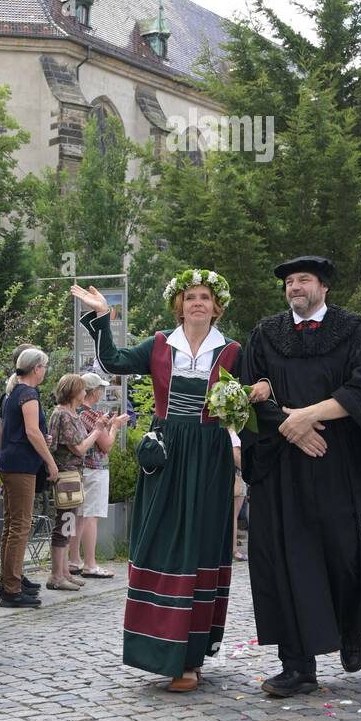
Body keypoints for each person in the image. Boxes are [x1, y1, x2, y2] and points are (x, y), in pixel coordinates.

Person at [238, 256, 361, 698]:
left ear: (324, 287)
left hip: (341, 462)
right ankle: (297, 665)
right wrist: (291, 427)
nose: (294, 287)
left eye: (303, 280)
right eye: (288, 281)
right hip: (283, 465)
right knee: (287, 560)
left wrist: (309, 416)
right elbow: (247, 392)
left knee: (347, 552)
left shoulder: (354, 330)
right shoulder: (266, 334)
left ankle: (349, 627)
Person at [73, 268, 241, 692]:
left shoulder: (234, 350)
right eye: (190, 297)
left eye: (204, 296)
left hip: (210, 454)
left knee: (201, 544)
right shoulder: (162, 345)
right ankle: (164, 650)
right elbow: (113, 361)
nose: (197, 303)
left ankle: (191, 657)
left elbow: (261, 389)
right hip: (167, 454)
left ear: (216, 306)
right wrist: (102, 317)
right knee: (163, 543)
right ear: (179, 304)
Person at [0, 347, 57, 607]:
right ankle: (11, 588)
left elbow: (17, 430)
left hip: (10, 462)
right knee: (21, 526)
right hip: (22, 465)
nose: (45, 371)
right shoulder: (29, 393)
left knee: (11, 526)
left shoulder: (13, 392)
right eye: (44, 367)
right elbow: (32, 432)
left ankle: (9, 581)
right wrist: (51, 462)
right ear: (37, 369)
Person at [64, 373, 129, 581]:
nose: (103, 391)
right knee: (91, 515)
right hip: (95, 468)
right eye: (101, 388)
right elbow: (106, 444)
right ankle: (90, 564)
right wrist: (116, 426)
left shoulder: (76, 412)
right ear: (94, 391)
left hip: (80, 468)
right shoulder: (91, 414)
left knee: (79, 516)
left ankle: (74, 560)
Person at [46, 372, 107, 590]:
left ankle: (64, 572)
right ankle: (57, 575)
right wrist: (97, 431)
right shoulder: (63, 415)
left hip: (74, 474)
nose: (85, 393)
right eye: (82, 389)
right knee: (63, 523)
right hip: (67, 473)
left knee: (69, 522)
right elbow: (80, 448)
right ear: (73, 392)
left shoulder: (69, 414)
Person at [231, 430, 247, 560]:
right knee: (233, 516)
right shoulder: (233, 433)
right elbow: (236, 455)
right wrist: (249, 470)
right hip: (236, 477)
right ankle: (234, 550)